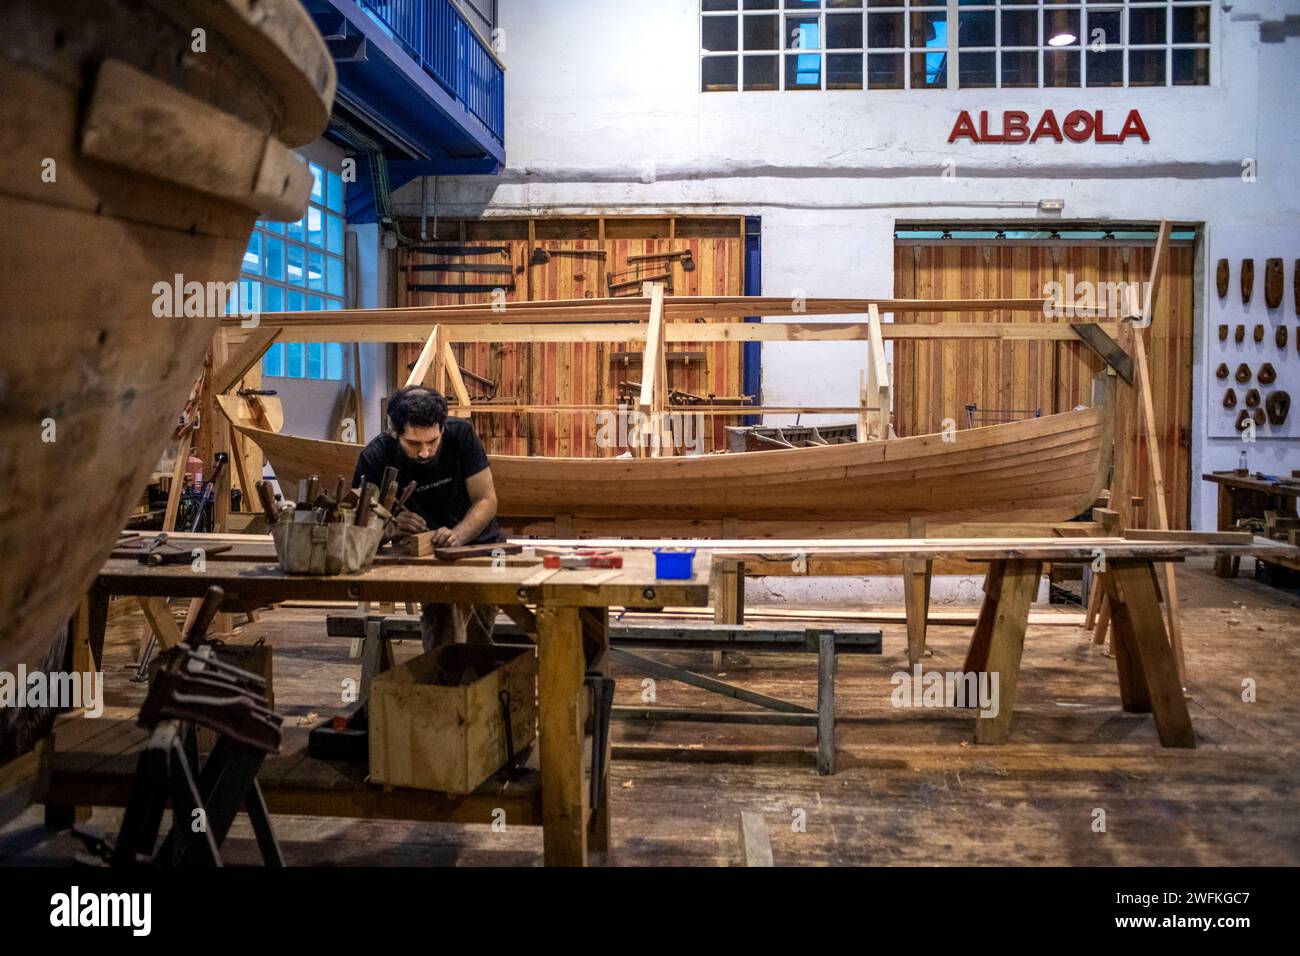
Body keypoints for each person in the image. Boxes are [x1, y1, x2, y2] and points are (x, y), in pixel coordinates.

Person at [351, 386, 503, 651]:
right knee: (441, 621)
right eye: (414, 444)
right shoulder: (375, 457)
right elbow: (356, 528)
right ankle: (446, 681)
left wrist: (458, 535)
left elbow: (486, 500)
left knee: (479, 622)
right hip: (424, 555)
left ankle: (473, 680)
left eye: (432, 442)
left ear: (442, 427)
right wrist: (390, 528)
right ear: (393, 430)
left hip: (478, 545)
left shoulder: (461, 436)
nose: (425, 452)